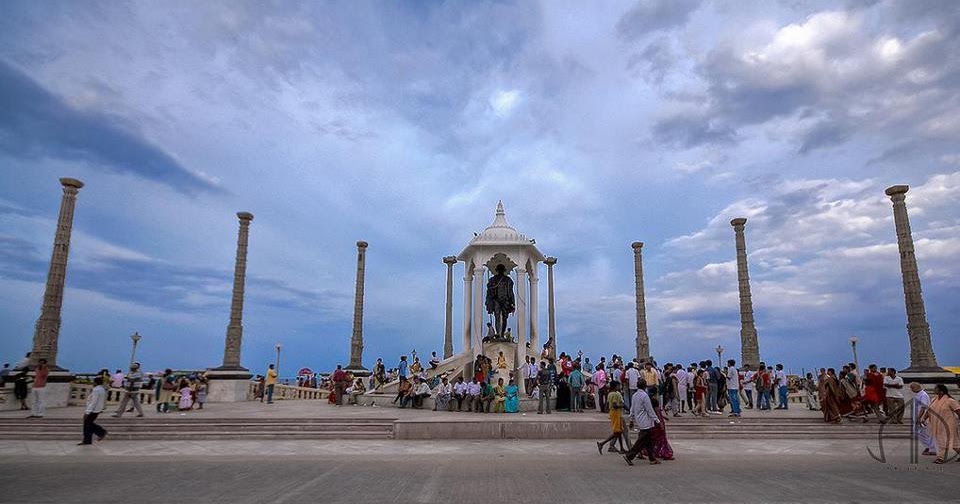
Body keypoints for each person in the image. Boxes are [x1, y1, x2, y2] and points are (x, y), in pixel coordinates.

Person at [622, 379, 660, 466]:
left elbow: (632, 408)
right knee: (641, 442)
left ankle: (652, 458)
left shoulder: (635, 395)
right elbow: (649, 409)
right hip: (646, 421)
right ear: (645, 386)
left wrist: (631, 419)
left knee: (648, 441)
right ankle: (629, 456)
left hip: (639, 420)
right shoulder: (644, 396)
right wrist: (657, 420)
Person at [923, 384, 960, 464]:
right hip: (936, 424)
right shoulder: (934, 399)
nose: (934, 390)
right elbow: (929, 410)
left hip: (948, 424)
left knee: (944, 441)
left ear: (941, 391)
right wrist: (924, 418)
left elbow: (958, 411)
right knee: (953, 444)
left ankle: (941, 458)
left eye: (936, 389)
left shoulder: (950, 401)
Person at [596, 382, 627, 454]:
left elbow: (607, 405)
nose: (619, 387)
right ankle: (602, 443)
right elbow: (614, 405)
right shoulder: (615, 394)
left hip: (613, 413)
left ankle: (621, 448)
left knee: (619, 431)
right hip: (616, 413)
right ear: (615, 386)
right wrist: (622, 406)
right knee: (617, 432)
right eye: (618, 386)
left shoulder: (610, 394)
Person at [909, 382, 938, 456]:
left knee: (924, 433)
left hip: (922, 417)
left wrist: (919, 417)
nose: (911, 390)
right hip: (917, 417)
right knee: (919, 432)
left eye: (912, 388)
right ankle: (929, 446)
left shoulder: (923, 395)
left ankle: (931, 448)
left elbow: (923, 407)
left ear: (915, 388)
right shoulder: (918, 394)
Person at [79, 376, 108, 446]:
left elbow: (93, 402)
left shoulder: (96, 390)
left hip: (93, 410)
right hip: (97, 409)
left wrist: (87, 412)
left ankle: (100, 432)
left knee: (87, 425)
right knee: (89, 424)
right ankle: (89, 439)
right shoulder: (102, 389)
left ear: (95, 382)